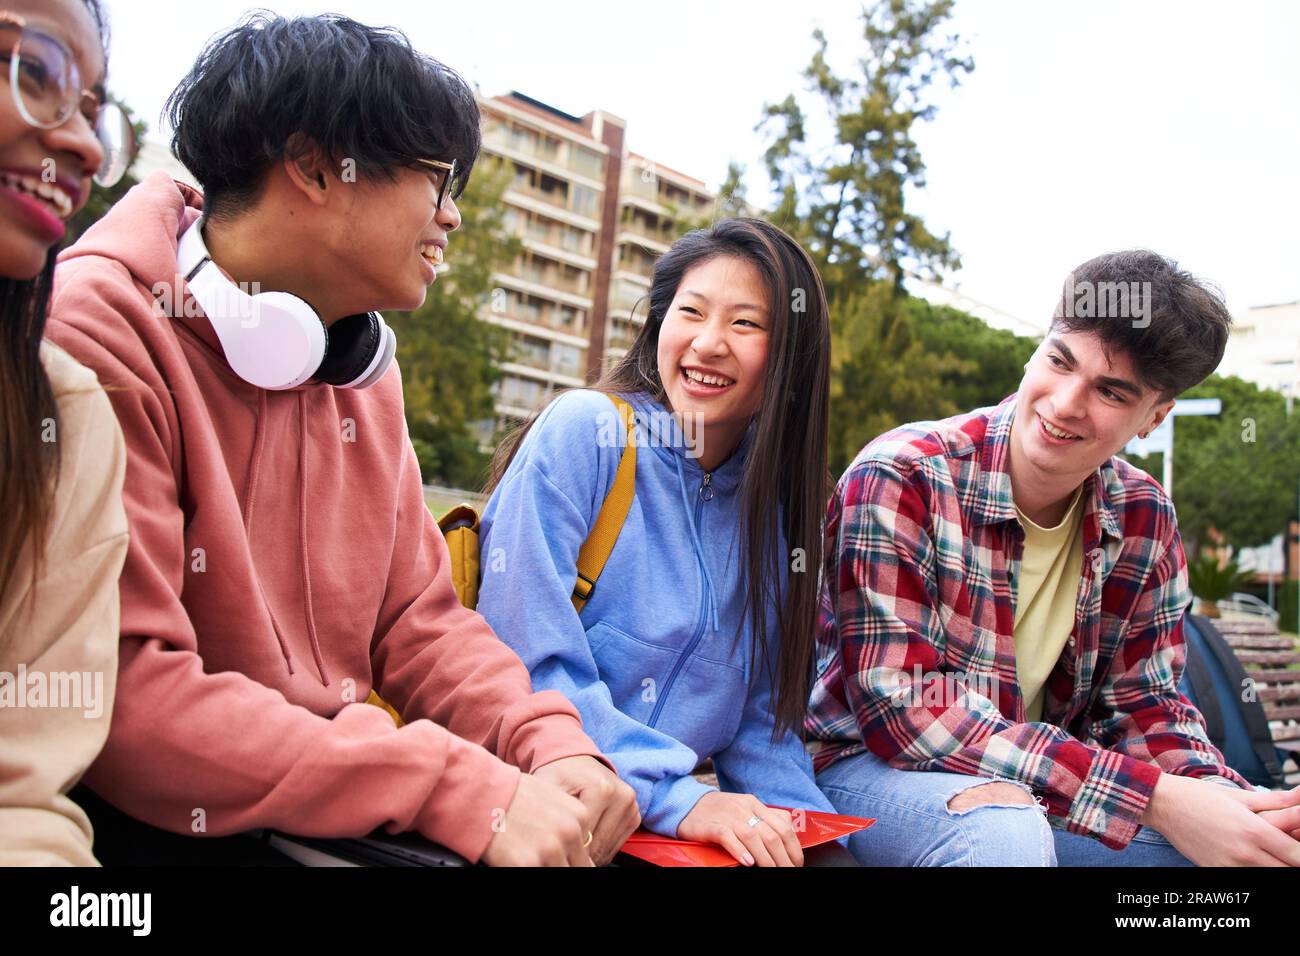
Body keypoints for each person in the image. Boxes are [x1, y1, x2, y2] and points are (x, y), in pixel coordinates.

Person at [45, 12, 637, 867]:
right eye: (438, 181)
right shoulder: (99, 330)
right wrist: (451, 787)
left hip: (335, 803)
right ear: (318, 166)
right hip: (152, 827)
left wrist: (550, 743)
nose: (452, 218)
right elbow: (128, 699)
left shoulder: (357, 366)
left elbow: (419, 623)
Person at [807, 250, 1300, 866]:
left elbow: (1146, 706)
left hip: (1045, 787)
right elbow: (905, 709)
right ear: (1038, 347)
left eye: (1111, 392)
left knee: (1249, 855)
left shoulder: (1145, 517)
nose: (1066, 403)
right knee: (1002, 837)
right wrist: (1156, 801)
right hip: (865, 773)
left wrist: (1235, 805)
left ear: (1154, 417)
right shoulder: (904, 476)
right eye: (1060, 361)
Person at [477, 218, 843, 867]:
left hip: (658, 831)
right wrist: (679, 800)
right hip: (541, 802)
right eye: (691, 312)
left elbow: (762, 727)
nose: (707, 343)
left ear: (791, 357)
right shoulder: (588, 432)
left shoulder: (781, 510)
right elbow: (520, 650)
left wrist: (812, 835)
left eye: (745, 324)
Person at [0, 0, 133, 865]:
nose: (84, 147)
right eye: (35, 71)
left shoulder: (65, 411)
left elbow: (24, 801)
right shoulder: (119, 330)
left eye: (92, 110)